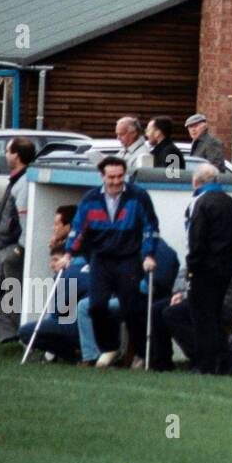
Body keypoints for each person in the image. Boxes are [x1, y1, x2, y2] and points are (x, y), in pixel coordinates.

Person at [60, 156, 161, 368]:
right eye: (111, 177)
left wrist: (149, 255)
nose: (116, 181)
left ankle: (142, 354)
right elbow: (78, 229)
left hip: (129, 258)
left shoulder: (138, 196)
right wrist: (69, 253)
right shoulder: (90, 199)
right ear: (102, 176)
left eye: (120, 176)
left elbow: (150, 227)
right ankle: (109, 346)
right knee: (96, 306)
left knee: (131, 308)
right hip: (101, 259)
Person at [180, 163, 232, 374]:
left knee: (203, 318)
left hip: (204, 270)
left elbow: (196, 240)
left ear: (196, 182)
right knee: (216, 317)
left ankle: (206, 363)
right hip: (228, 270)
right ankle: (225, 362)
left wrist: (192, 269)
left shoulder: (199, 203)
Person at [149, 261, 232, 373]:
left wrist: (186, 296)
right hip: (196, 296)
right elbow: (185, 273)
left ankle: (207, 358)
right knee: (157, 309)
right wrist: (179, 294)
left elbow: (213, 283)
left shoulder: (226, 253)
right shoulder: (199, 249)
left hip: (222, 301)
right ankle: (162, 364)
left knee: (172, 314)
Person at [17, 205, 82, 361]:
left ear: (68, 227)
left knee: (27, 331)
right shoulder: (66, 248)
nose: (53, 228)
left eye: (57, 224)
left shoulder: (74, 258)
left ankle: (68, 354)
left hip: (73, 319)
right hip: (68, 315)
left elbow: (63, 308)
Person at [0, 137, 36, 343]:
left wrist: (21, 248)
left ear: (16, 155)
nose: (6, 155)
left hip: (14, 248)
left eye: (8, 151)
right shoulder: (17, 179)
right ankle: (10, 335)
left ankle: (25, 336)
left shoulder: (24, 183)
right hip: (6, 247)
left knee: (12, 294)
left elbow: (26, 219)